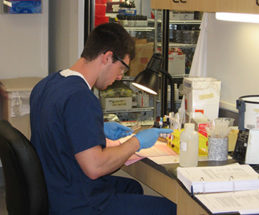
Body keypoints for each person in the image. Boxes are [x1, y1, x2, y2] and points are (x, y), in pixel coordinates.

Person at [30, 23, 176, 215]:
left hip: (55, 188)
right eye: (122, 68)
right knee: (174, 210)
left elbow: (57, 129)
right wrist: (136, 142)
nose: (119, 77)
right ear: (107, 57)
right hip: (77, 203)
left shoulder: (48, 83)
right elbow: (95, 167)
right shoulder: (81, 97)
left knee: (133, 188)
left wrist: (97, 128)